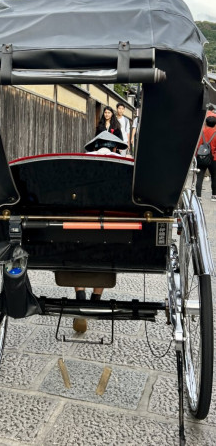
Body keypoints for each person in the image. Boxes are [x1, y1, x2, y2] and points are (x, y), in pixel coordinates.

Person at [72, 131, 130, 333]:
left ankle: (80, 296)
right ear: (116, 148)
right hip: (113, 226)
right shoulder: (126, 163)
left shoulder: (79, 163)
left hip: (81, 223)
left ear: (94, 147)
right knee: (108, 245)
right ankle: (95, 300)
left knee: (74, 245)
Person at [196, 116, 216, 201]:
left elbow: (197, 146)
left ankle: (199, 196)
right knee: (214, 177)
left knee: (200, 177)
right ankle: (214, 195)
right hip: (214, 158)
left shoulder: (201, 132)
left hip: (201, 156)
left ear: (206, 123)